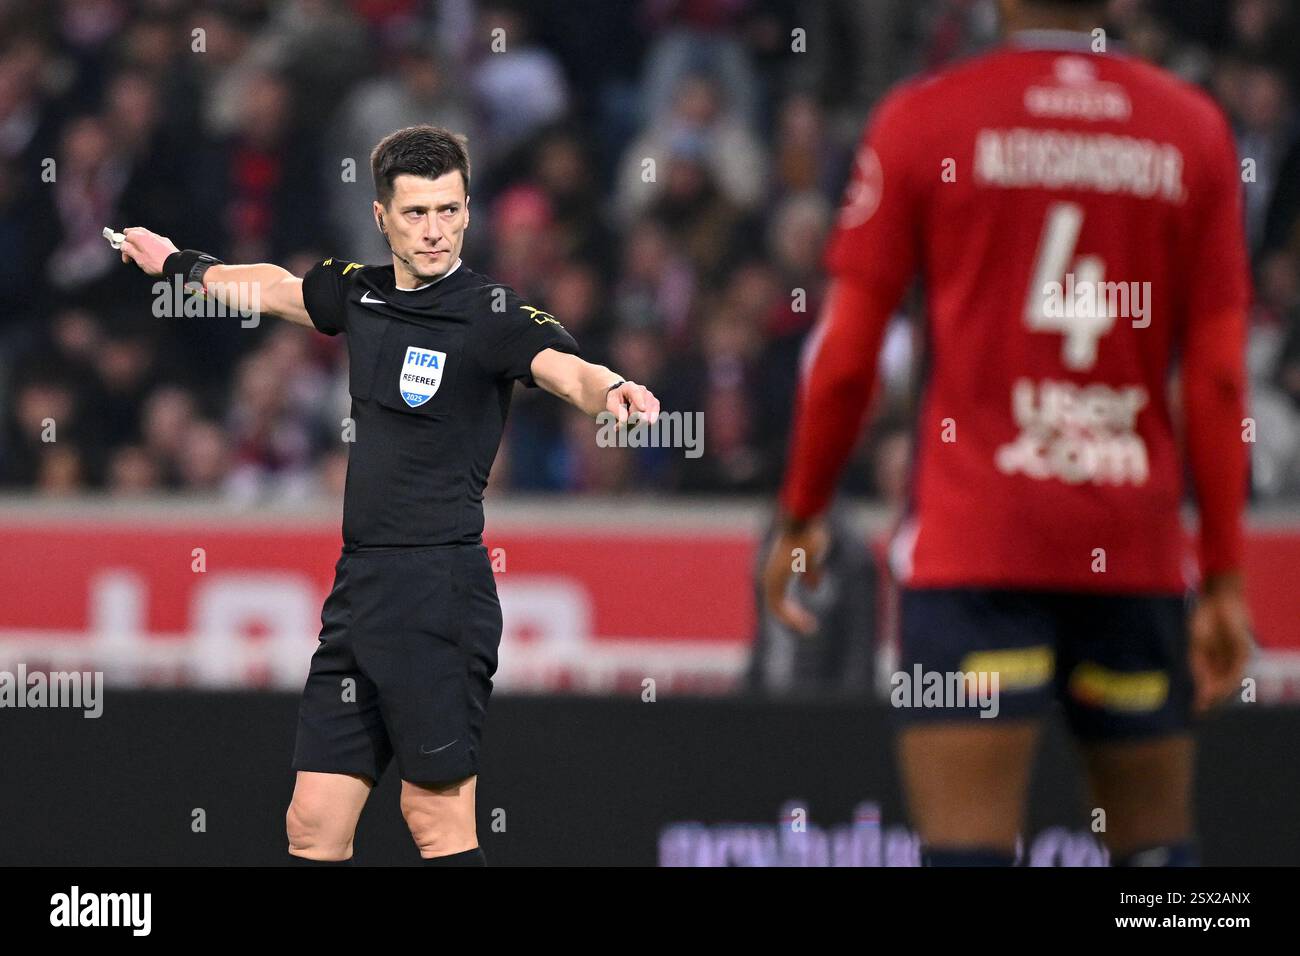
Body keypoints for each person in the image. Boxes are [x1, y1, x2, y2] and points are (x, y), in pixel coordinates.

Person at [762, 0, 1253, 867]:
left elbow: (844, 360)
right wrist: (1220, 571)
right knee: (1162, 864)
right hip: (1132, 547)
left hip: (975, 546)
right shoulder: (1192, 129)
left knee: (968, 854)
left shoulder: (926, 118)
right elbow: (1215, 379)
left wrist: (802, 512)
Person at [118, 125, 659, 865]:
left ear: (469, 211)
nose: (435, 230)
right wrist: (184, 264)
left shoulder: (490, 313)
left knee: (435, 819)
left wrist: (613, 391)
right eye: (416, 213)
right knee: (312, 822)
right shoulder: (360, 292)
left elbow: (563, 366)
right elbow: (277, 288)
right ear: (382, 217)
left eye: (449, 210)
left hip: (439, 592)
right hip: (361, 589)